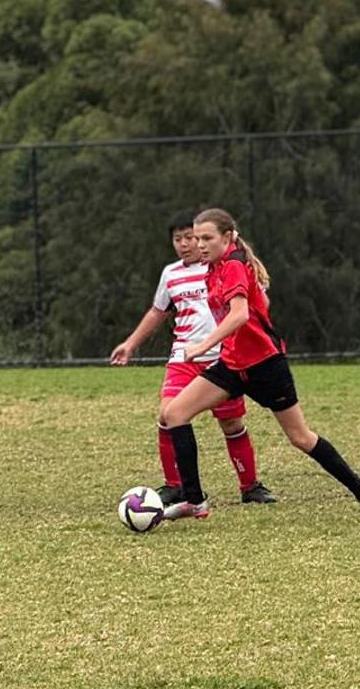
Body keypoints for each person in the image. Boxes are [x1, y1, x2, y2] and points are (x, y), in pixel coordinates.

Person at [158, 208, 360, 524]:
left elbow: (239, 315)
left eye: (207, 238)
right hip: (232, 364)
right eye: (197, 238)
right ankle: (194, 501)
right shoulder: (214, 268)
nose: (200, 244)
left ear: (228, 237)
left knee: (300, 437)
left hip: (265, 366)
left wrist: (202, 346)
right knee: (175, 414)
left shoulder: (234, 265)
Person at [110, 210, 274, 505]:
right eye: (179, 239)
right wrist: (130, 344)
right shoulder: (171, 274)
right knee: (167, 414)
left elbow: (256, 302)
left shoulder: (226, 267)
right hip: (184, 358)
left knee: (231, 424)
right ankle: (175, 486)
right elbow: (158, 312)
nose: (186, 244)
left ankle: (250, 486)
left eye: (191, 237)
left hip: (223, 358)